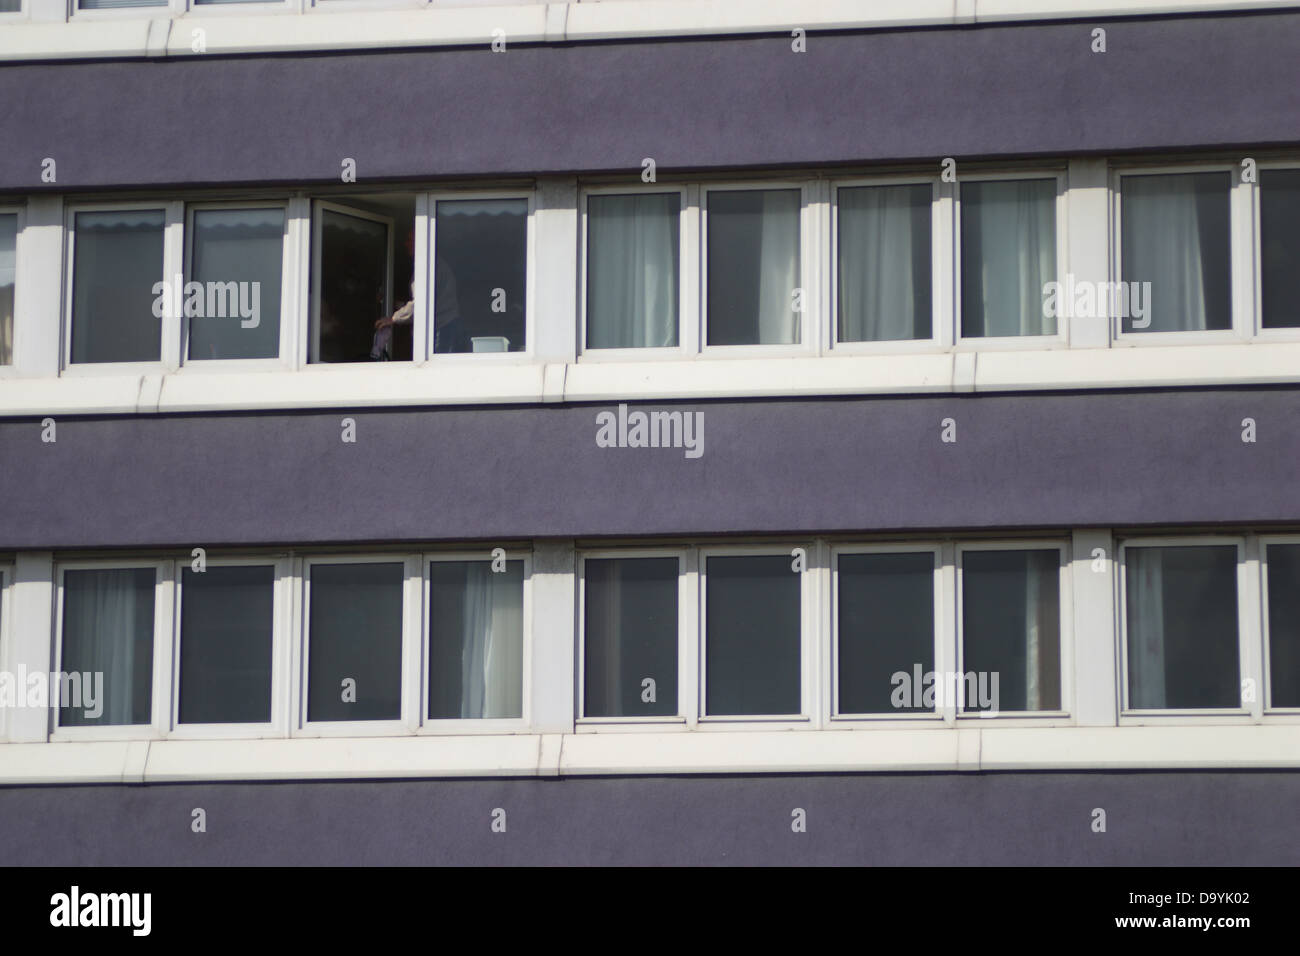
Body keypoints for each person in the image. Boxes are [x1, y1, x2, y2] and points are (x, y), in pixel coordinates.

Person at [372, 226, 465, 358]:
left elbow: (420, 303)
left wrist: (393, 319)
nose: (406, 244)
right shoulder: (436, 264)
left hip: (442, 329)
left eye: (410, 240)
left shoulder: (428, 266)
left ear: (420, 241)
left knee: (437, 372)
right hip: (447, 326)